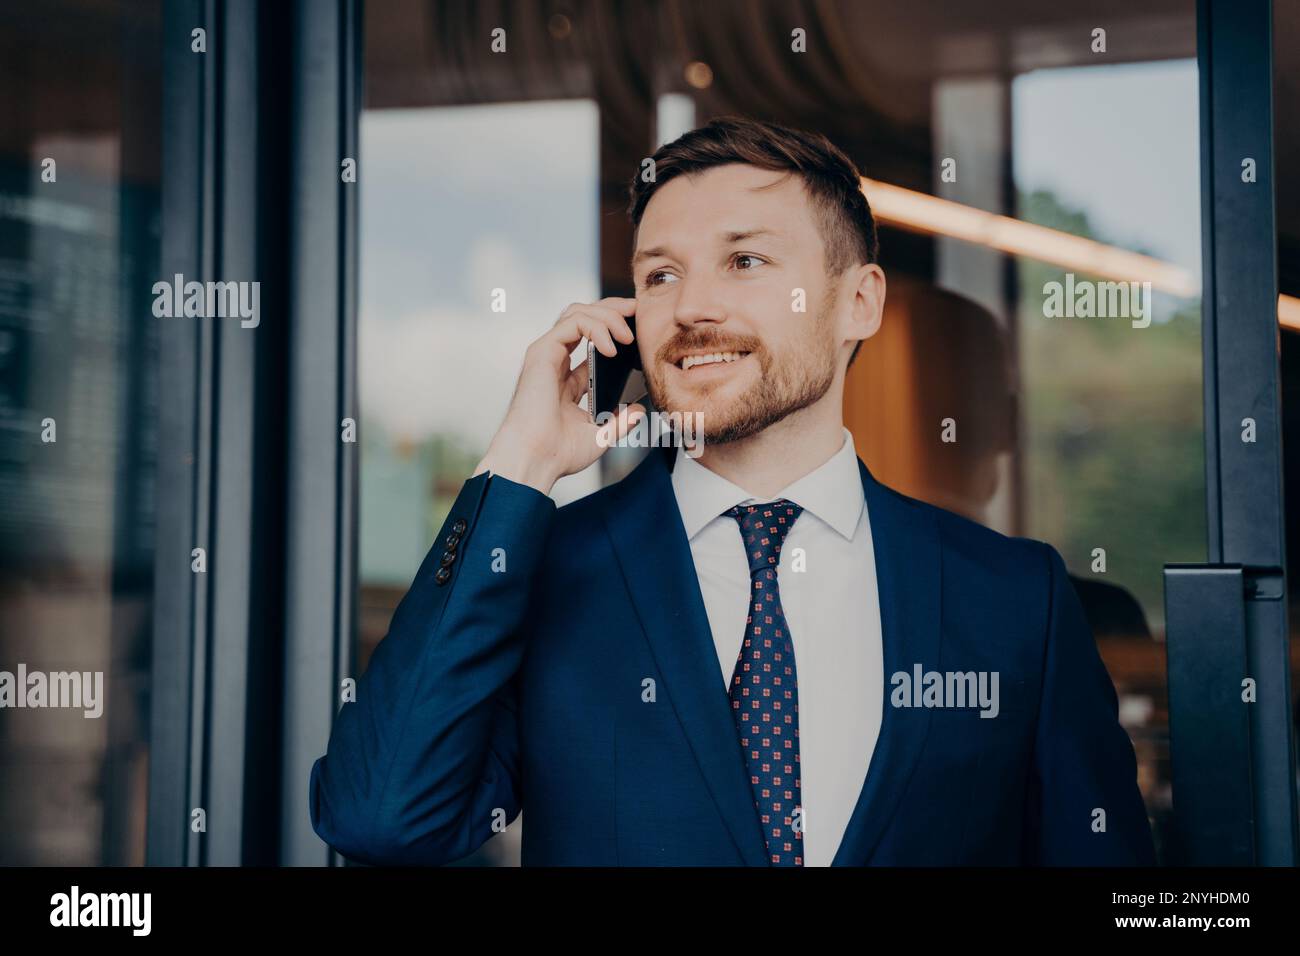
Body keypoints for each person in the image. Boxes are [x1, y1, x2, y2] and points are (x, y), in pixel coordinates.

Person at [308, 116, 1156, 866]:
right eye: (660, 276)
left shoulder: (1014, 599)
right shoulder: (550, 573)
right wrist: (517, 464)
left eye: (745, 260)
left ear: (857, 301)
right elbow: (383, 818)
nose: (692, 308)